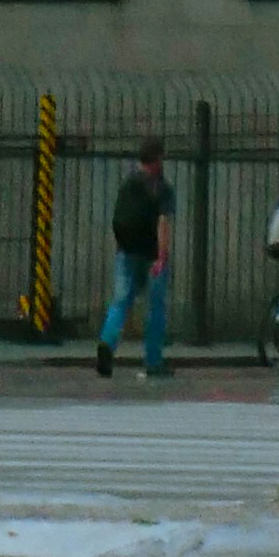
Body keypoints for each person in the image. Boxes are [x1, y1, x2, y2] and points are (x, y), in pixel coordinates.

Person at [97, 133, 173, 382]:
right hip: (151, 255)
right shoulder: (161, 188)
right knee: (155, 307)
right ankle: (153, 361)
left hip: (126, 252)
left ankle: (107, 343)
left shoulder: (128, 184)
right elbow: (162, 223)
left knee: (120, 301)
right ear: (158, 159)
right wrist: (162, 256)